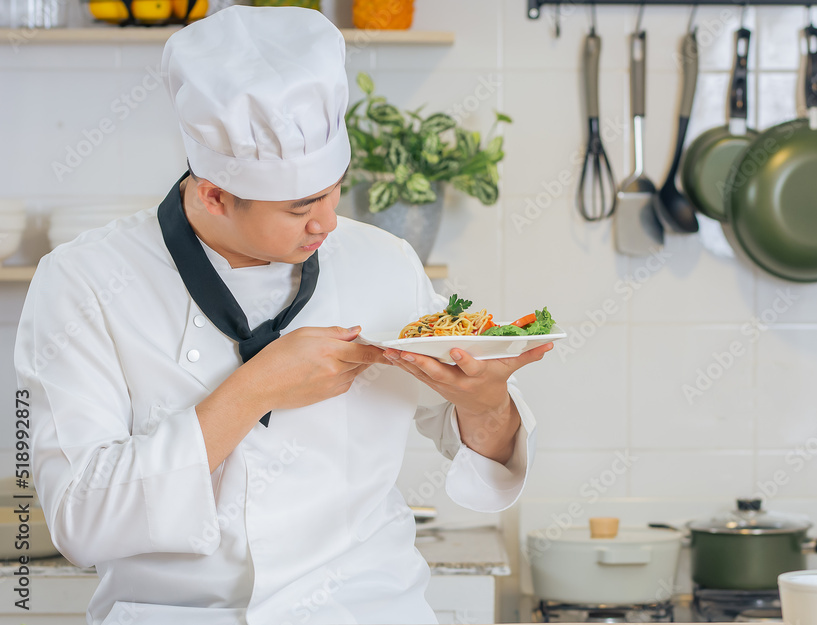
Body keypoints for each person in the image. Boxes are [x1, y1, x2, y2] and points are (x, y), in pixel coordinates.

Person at [14, 6, 550, 624]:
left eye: (333, 191)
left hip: (366, 612)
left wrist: (486, 405)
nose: (326, 222)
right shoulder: (83, 282)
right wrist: (254, 389)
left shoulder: (384, 261)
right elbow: (80, 519)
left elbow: (477, 452)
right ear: (213, 193)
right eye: (299, 208)